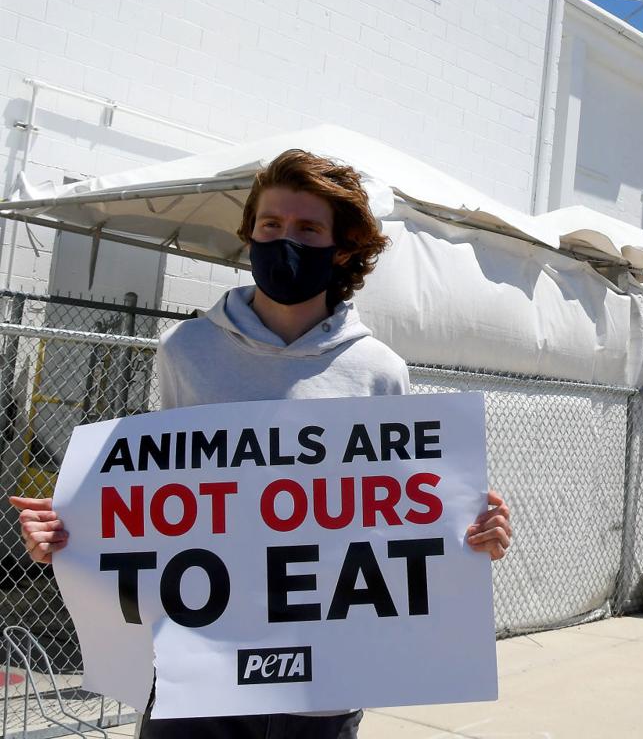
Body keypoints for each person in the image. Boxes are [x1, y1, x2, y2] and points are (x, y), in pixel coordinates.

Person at [11, 149, 513, 739]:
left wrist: (469, 534)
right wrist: (76, 533)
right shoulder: (186, 351)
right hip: (200, 677)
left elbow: (392, 523)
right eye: (271, 225)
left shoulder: (380, 370)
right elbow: (161, 502)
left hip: (323, 688)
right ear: (249, 233)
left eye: (308, 228)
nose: (285, 241)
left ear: (343, 247)